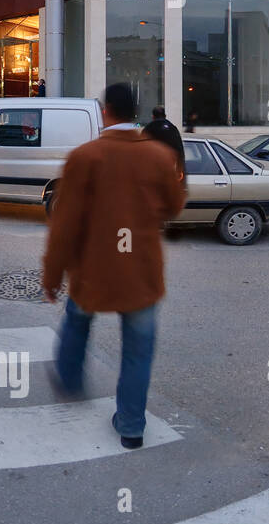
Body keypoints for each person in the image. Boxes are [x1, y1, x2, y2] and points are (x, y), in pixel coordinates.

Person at [40, 83, 184, 449]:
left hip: (93, 270)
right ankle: (132, 425)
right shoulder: (157, 156)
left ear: (105, 112)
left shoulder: (85, 157)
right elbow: (174, 206)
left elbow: (64, 226)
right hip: (141, 272)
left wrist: (52, 275)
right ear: (134, 113)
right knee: (138, 350)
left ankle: (70, 379)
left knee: (77, 319)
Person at [143, 104, 186, 180]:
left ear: (153, 116)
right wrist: (180, 169)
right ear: (165, 116)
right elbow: (180, 150)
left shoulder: (148, 129)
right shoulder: (172, 128)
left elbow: (140, 149)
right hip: (168, 170)